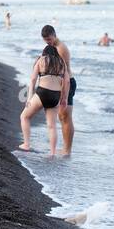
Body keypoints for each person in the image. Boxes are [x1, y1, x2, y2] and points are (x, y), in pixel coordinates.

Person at [19, 44, 69, 157]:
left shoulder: (41, 60)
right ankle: (52, 153)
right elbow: (67, 82)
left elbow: (32, 80)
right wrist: (64, 98)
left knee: (24, 116)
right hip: (55, 96)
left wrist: (30, 97)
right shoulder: (62, 63)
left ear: (44, 52)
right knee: (52, 126)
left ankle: (26, 144)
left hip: (42, 92)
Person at [41, 24, 75, 156]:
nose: (48, 42)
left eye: (49, 39)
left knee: (65, 117)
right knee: (61, 116)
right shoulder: (52, 47)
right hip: (57, 83)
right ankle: (65, 148)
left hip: (66, 84)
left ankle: (67, 150)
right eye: (46, 40)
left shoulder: (61, 49)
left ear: (55, 35)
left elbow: (64, 73)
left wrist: (63, 94)